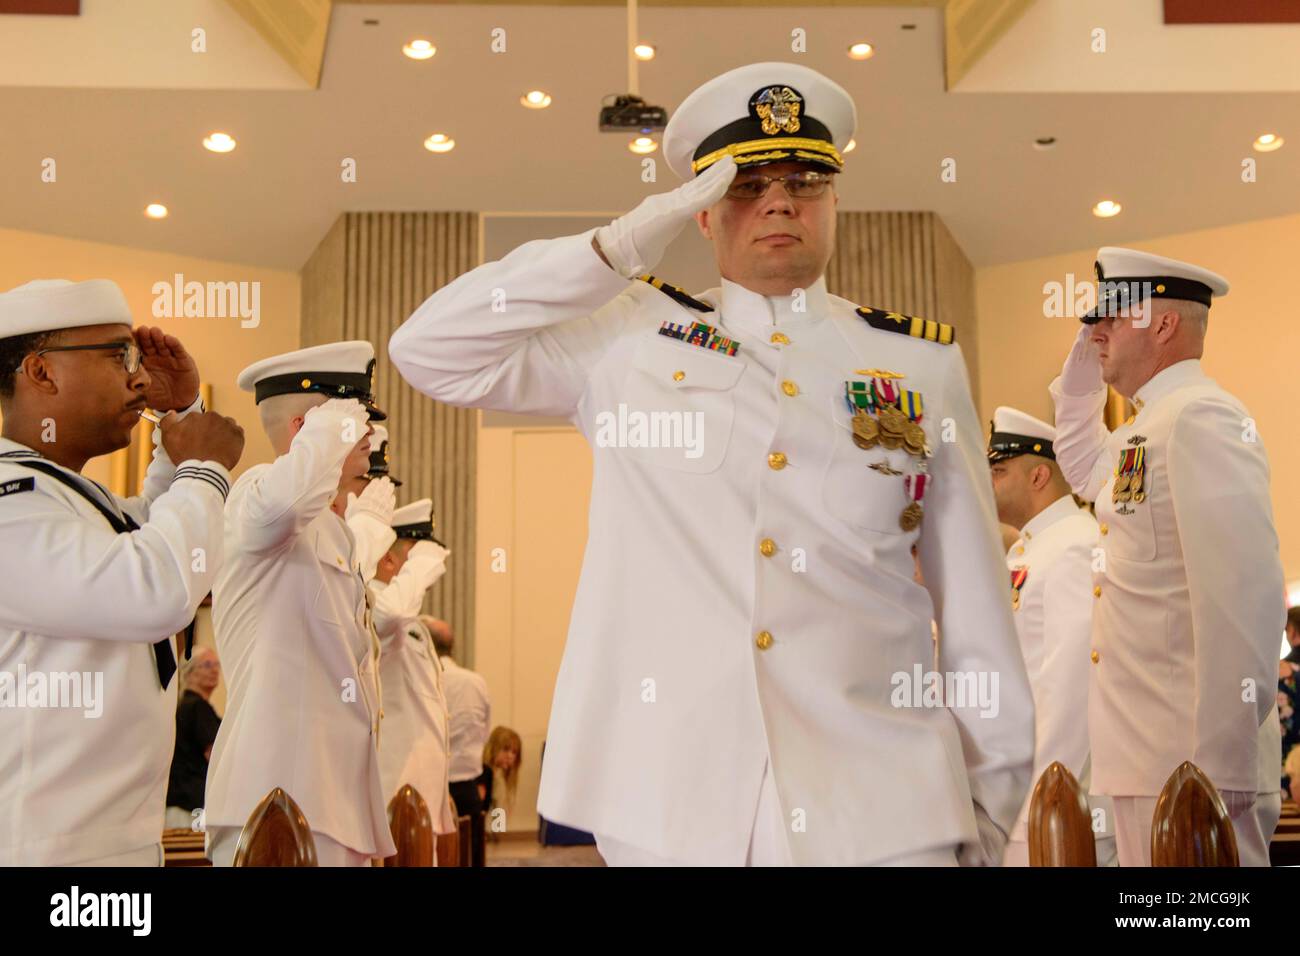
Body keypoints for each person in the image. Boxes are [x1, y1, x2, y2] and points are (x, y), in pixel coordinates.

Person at [390, 62, 1034, 866]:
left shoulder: (919, 367)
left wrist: (990, 812)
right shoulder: (628, 341)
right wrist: (617, 244)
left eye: (804, 181)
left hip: (883, 809)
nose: (777, 201)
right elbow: (429, 351)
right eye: (744, 184)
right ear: (700, 214)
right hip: (669, 805)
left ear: (834, 199)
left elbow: (977, 615)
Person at [1050, 247, 1285, 866]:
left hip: (1196, 770)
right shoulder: (1140, 431)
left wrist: (1221, 769)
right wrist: (1089, 346)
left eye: (1111, 317)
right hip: (1143, 758)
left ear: (1162, 325)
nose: (1095, 331)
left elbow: (1243, 596)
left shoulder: (1202, 417)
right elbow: (1077, 462)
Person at [0, 278, 243, 866]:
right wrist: (205, 465)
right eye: (117, 356)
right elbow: (152, 589)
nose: (138, 377)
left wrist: (182, 415)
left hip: (109, 848)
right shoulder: (11, 500)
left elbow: (150, 531)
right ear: (41, 373)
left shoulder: (64, 495)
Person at [204, 341, 397, 867]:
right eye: (354, 421)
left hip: (334, 798)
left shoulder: (334, 532)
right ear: (304, 429)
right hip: (275, 797)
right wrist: (329, 430)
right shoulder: (254, 494)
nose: (369, 438)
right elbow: (279, 510)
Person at [987, 407, 1116, 866]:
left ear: (1039, 475)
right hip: (1023, 795)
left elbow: (1071, 682)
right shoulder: (1032, 547)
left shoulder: (1074, 545)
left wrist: (1044, 795)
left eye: (999, 471)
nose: (988, 482)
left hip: (1061, 805)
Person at [355, 497, 457, 842]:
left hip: (419, 792)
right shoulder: (371, 601)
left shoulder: (410, 618)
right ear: (387, 559)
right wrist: (422, 564)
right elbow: (390, 616)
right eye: (414, 555)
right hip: (393, 789)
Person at [428, 618, 494, 819]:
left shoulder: (422, 680)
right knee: (471, 848)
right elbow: (485, 732)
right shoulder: (475, 682)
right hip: (467, 788)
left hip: (429, 787)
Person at [165, 646, 222, 830]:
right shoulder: (197, 707)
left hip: (181, 803)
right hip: (190, 807)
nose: (214, 670)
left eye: (216, 664)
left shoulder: (185, 705)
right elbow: (215, 757)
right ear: (189, 673)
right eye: (207, 665)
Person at [479, 726, 523, 817]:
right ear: (493, 748)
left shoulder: (500, 776)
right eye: (506, 749)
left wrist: (498, 829)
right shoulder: (484, 774)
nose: (510, 756)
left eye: (514, 752)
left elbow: (498, 809)